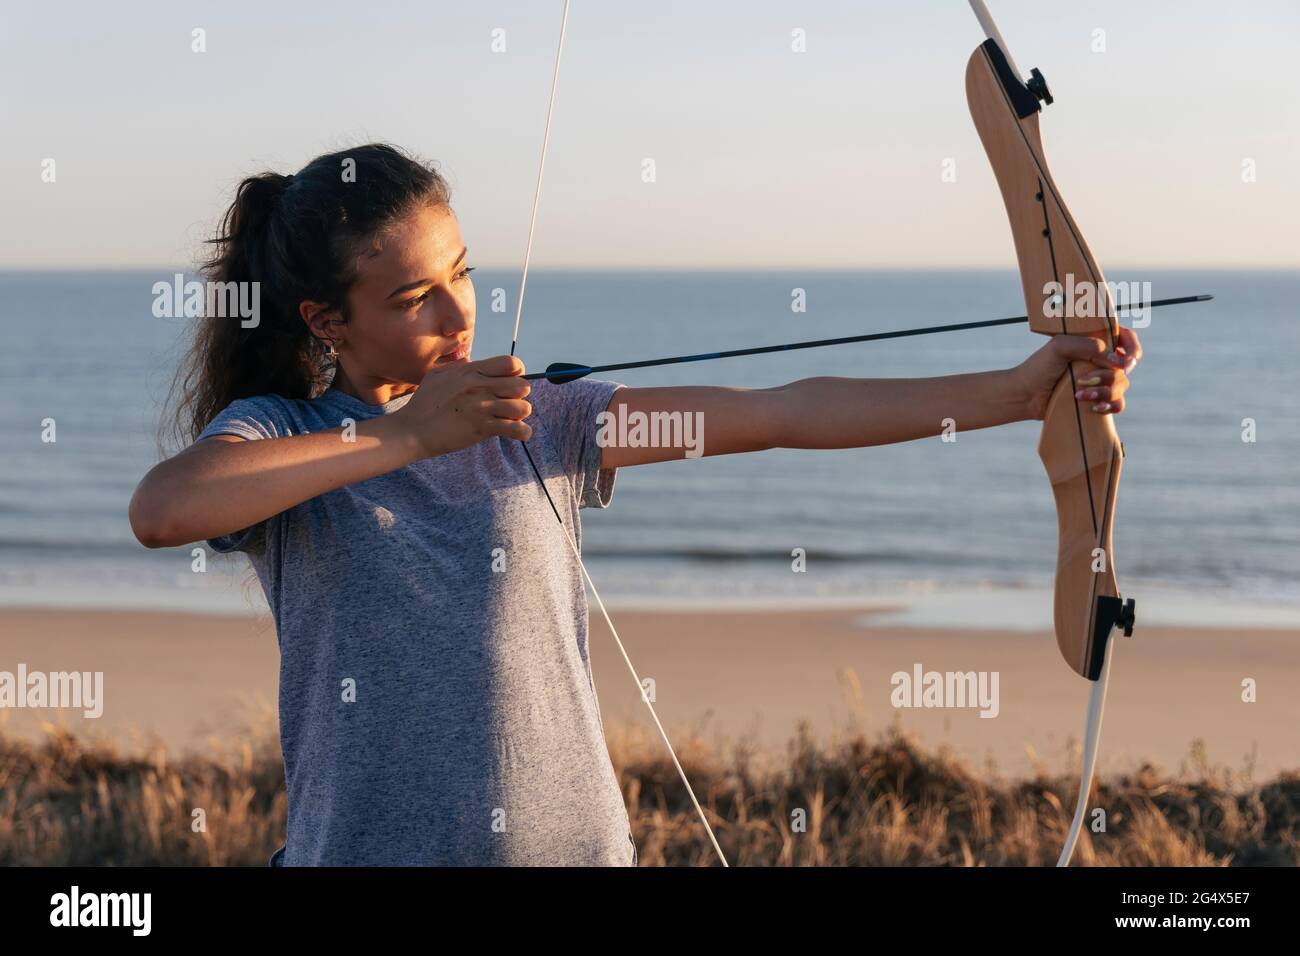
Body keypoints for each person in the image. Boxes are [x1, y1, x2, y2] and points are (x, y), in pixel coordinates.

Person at [128, 143, 1141, 865]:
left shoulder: (550, 422)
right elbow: (164, 509)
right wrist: (400, 436)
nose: (457, 313)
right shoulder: (281, 434)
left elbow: (780, 411)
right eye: (410, 299)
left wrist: (1009, 395)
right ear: (325, 319)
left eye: (461, 274)